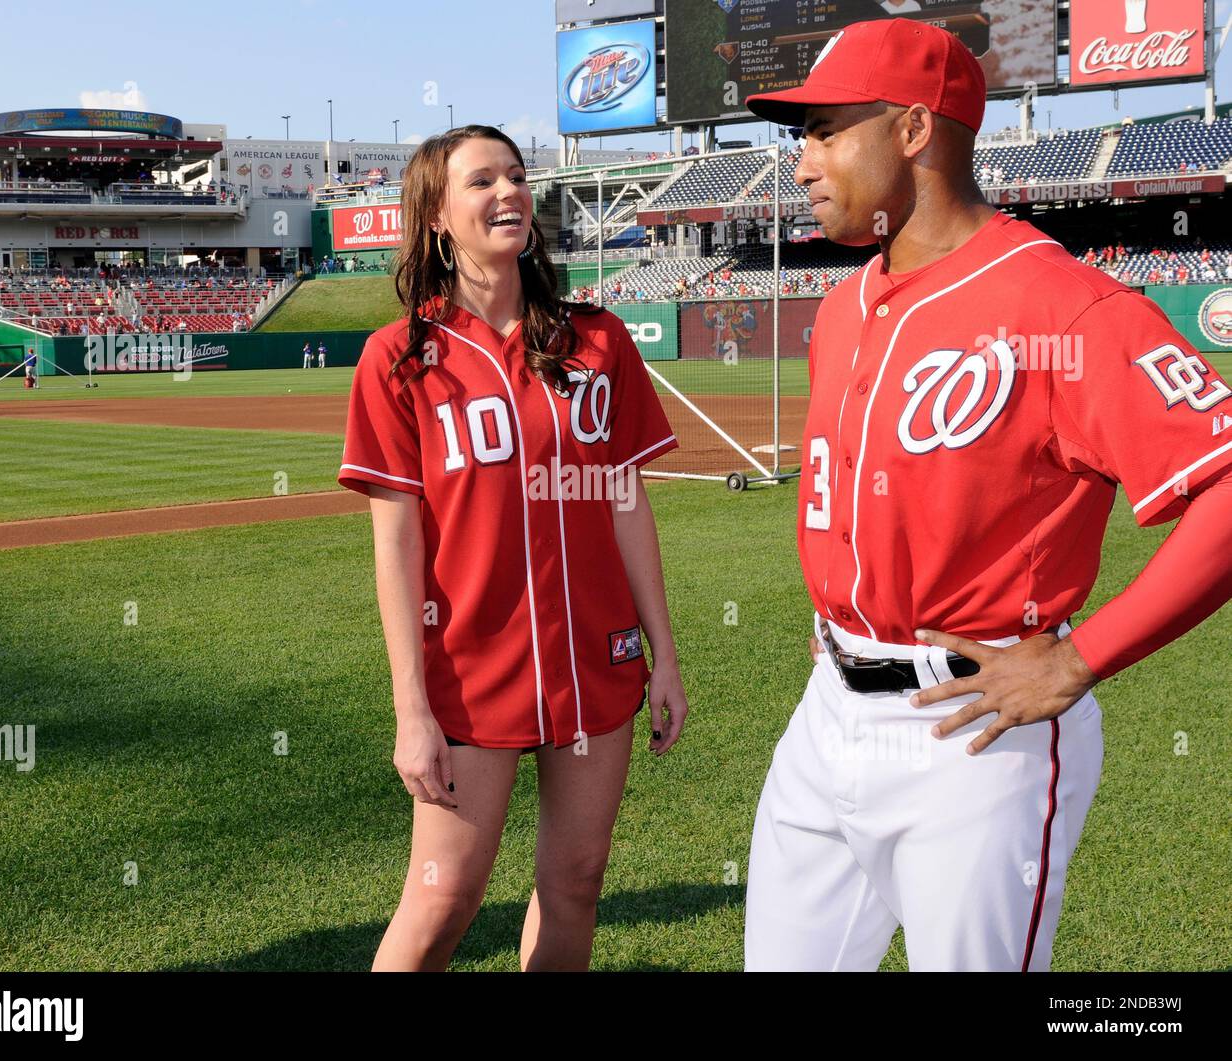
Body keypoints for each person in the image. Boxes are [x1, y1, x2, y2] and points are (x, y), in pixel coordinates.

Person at [742, 18, 1232, 972]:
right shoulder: (845, 304)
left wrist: (1080, 657)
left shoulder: (1067, 306)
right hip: (826, 710)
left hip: (976, 732)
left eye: (825, 130)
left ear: (914, 131)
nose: (800, 161)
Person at [338, 124, 689, 972]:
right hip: (470, 671)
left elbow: (627, 504)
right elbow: (396, 545)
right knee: (442, 898)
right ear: (435, 216)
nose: (509, 193)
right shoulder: (399, 359)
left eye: (518, 176)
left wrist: (665, 656)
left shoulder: (597, 342)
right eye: (482, 180)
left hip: (594, 661)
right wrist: (409, 709)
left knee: (576, 881)